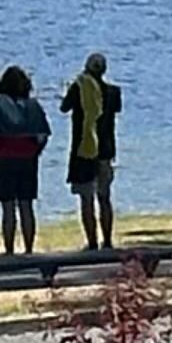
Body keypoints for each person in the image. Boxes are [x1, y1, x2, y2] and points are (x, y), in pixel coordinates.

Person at [0, 64, 51, 255]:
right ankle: (29, 248)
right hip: (28, 159)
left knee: (8, 206)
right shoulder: (34, 107)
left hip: (4, 159)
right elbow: (43, 135)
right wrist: (35, 152)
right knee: (27, 205)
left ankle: (9, 249)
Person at [60, 52, 122, 252]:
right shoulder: (113, 92)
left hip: (83, 149)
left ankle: (92, 241)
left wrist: (72, 87)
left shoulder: (79, 88)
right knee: (104, 197)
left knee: (86, 199)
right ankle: (108, 240)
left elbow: (64, 107)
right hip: (105, 149)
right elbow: (115, 110)